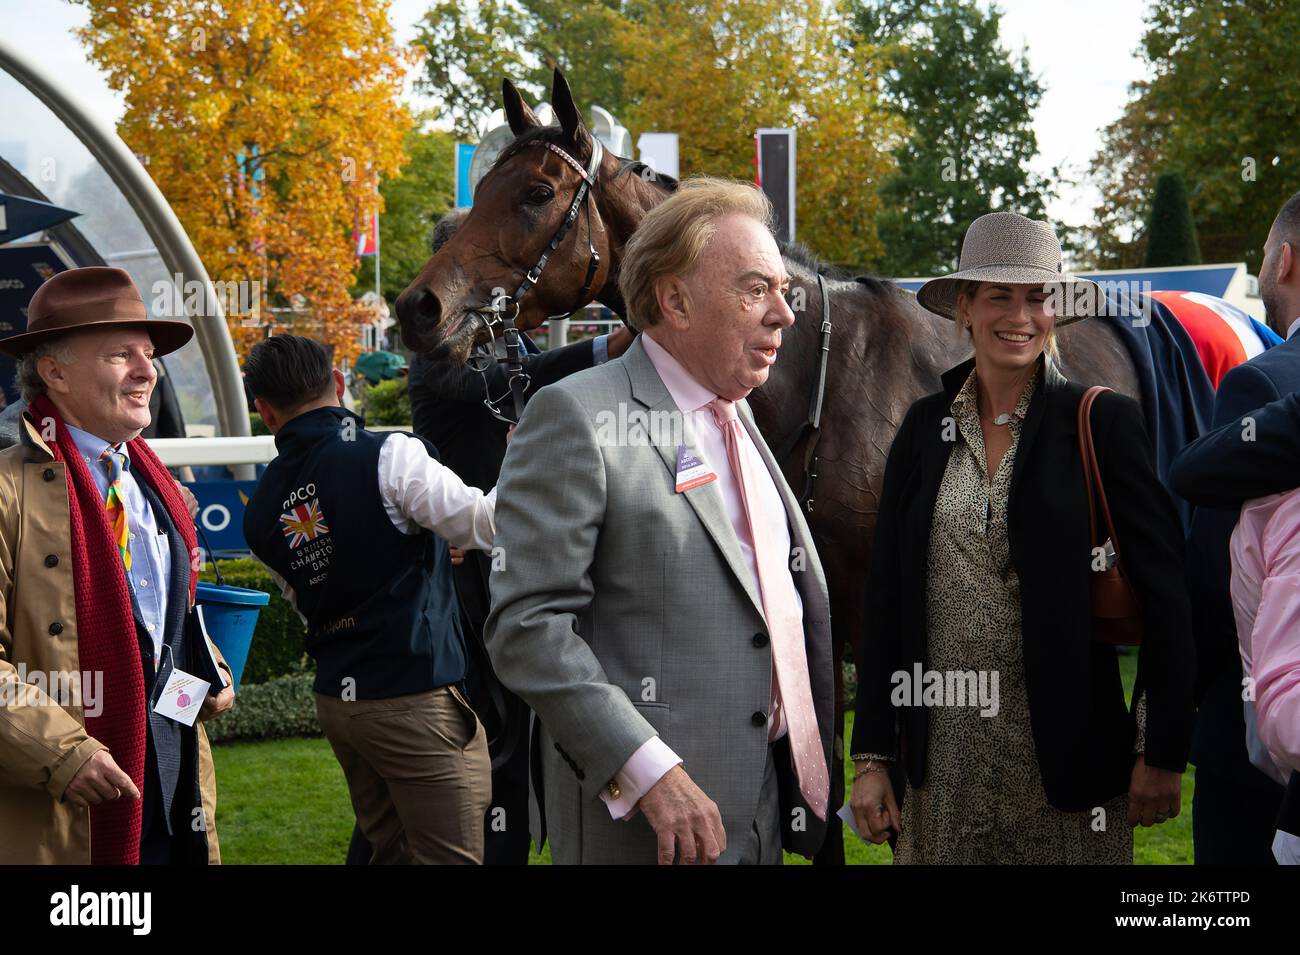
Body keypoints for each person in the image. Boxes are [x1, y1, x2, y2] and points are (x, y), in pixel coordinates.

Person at [484, 177, 834, 865]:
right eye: (755, 288)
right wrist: (648, 771)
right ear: (674, 299)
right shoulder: (576, 417)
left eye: (784, 291)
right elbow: (525, 625)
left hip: (756, 804)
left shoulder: (739, 413)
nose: (784, 315)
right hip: (647, 826)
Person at [849, 212, 1196, 863]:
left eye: (1037, 297)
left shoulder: (1104, 422)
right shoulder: (923, 430)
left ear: (1057, 311)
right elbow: (886, 602)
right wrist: (872, 757)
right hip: (942, 776)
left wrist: (1162, 748)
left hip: (1070, 777)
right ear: (965, 308)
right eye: (998, 295)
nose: (1019, 315)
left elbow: (1170, 596)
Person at [396, 209, 634, 865]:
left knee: (530, 719)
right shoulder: (437, 345)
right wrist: (599, 349)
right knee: (491, 724)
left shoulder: (505, 337)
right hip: (468, 561)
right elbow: (512, 386)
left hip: (521, 551)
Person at [0, 266, 234, 864]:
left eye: (148, 355)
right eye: (120, 355)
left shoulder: (156, 485)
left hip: (171, 786)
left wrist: (207, 671)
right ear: (55, 371)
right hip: (64, 806)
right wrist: (60, 751)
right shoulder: (7, 492)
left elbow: (162, 629)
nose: (147, 371)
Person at [242, 334, 496, 864]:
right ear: (338, 385)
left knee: (390, 852)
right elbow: (487, 523)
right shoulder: (390, 452)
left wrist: (423, 546)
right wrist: (530, 456)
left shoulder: (258, 509)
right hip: (413, 696)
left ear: (263, 411)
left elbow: (314, 588)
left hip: (338, 700)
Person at [1172, 190, 1300, 864]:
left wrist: (1171, 711)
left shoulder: (1265, 385)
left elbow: (1210, 572)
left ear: (1284, 262)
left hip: (1259, 742)